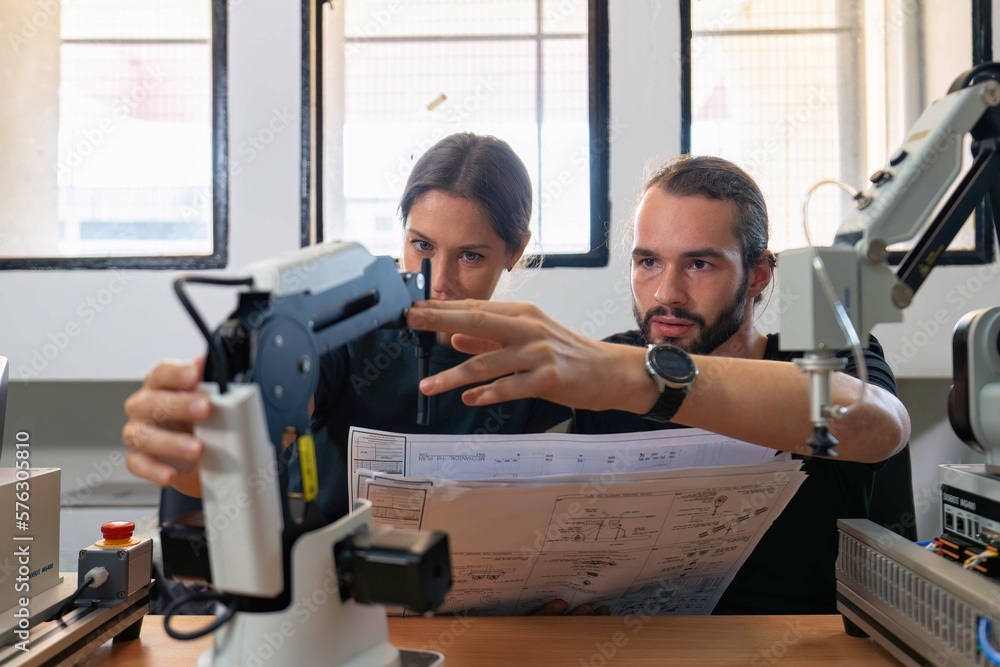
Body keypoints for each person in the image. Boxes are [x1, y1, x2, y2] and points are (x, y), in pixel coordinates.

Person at [405, 155, 912, 615]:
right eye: (648, 262)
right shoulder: (610, 365)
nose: (667, 293)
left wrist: (644, 377)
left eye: (699, 264)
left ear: (758, 275)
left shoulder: (823, 354)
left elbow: (877, 425)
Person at [122, 132, 572, 525]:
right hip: (327, 599)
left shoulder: (537, 362)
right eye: (421, 246)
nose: (438, 280)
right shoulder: (345, 336)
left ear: (515, 250)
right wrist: (193, 444)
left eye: (471, 256)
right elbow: (241, 448)